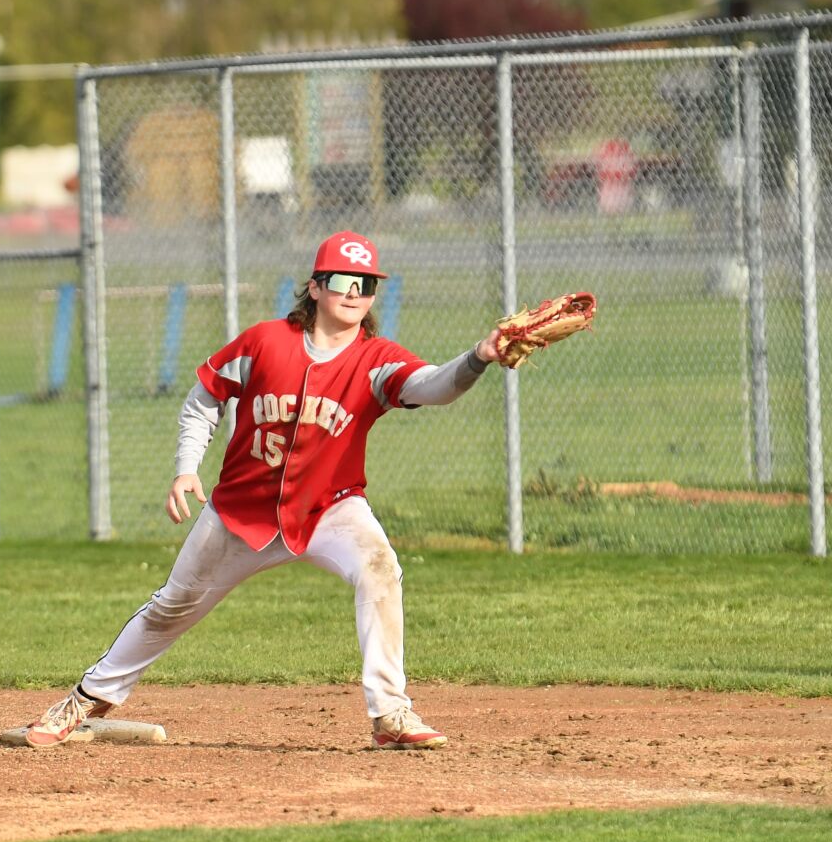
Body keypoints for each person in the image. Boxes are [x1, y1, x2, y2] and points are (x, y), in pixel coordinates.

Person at [25, 231, 500, 750]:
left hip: (329, 509)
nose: (354, 292)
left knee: (380, 568)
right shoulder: (265, 343)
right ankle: (85, 699)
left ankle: (390, 713)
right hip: (239, 513)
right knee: (171, 607)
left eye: (366, 284)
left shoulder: (376, 360)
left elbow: (434, 386)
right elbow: (204, 399)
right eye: (343, 280)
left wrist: (478, 357)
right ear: (315, 287)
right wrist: (186, 468)